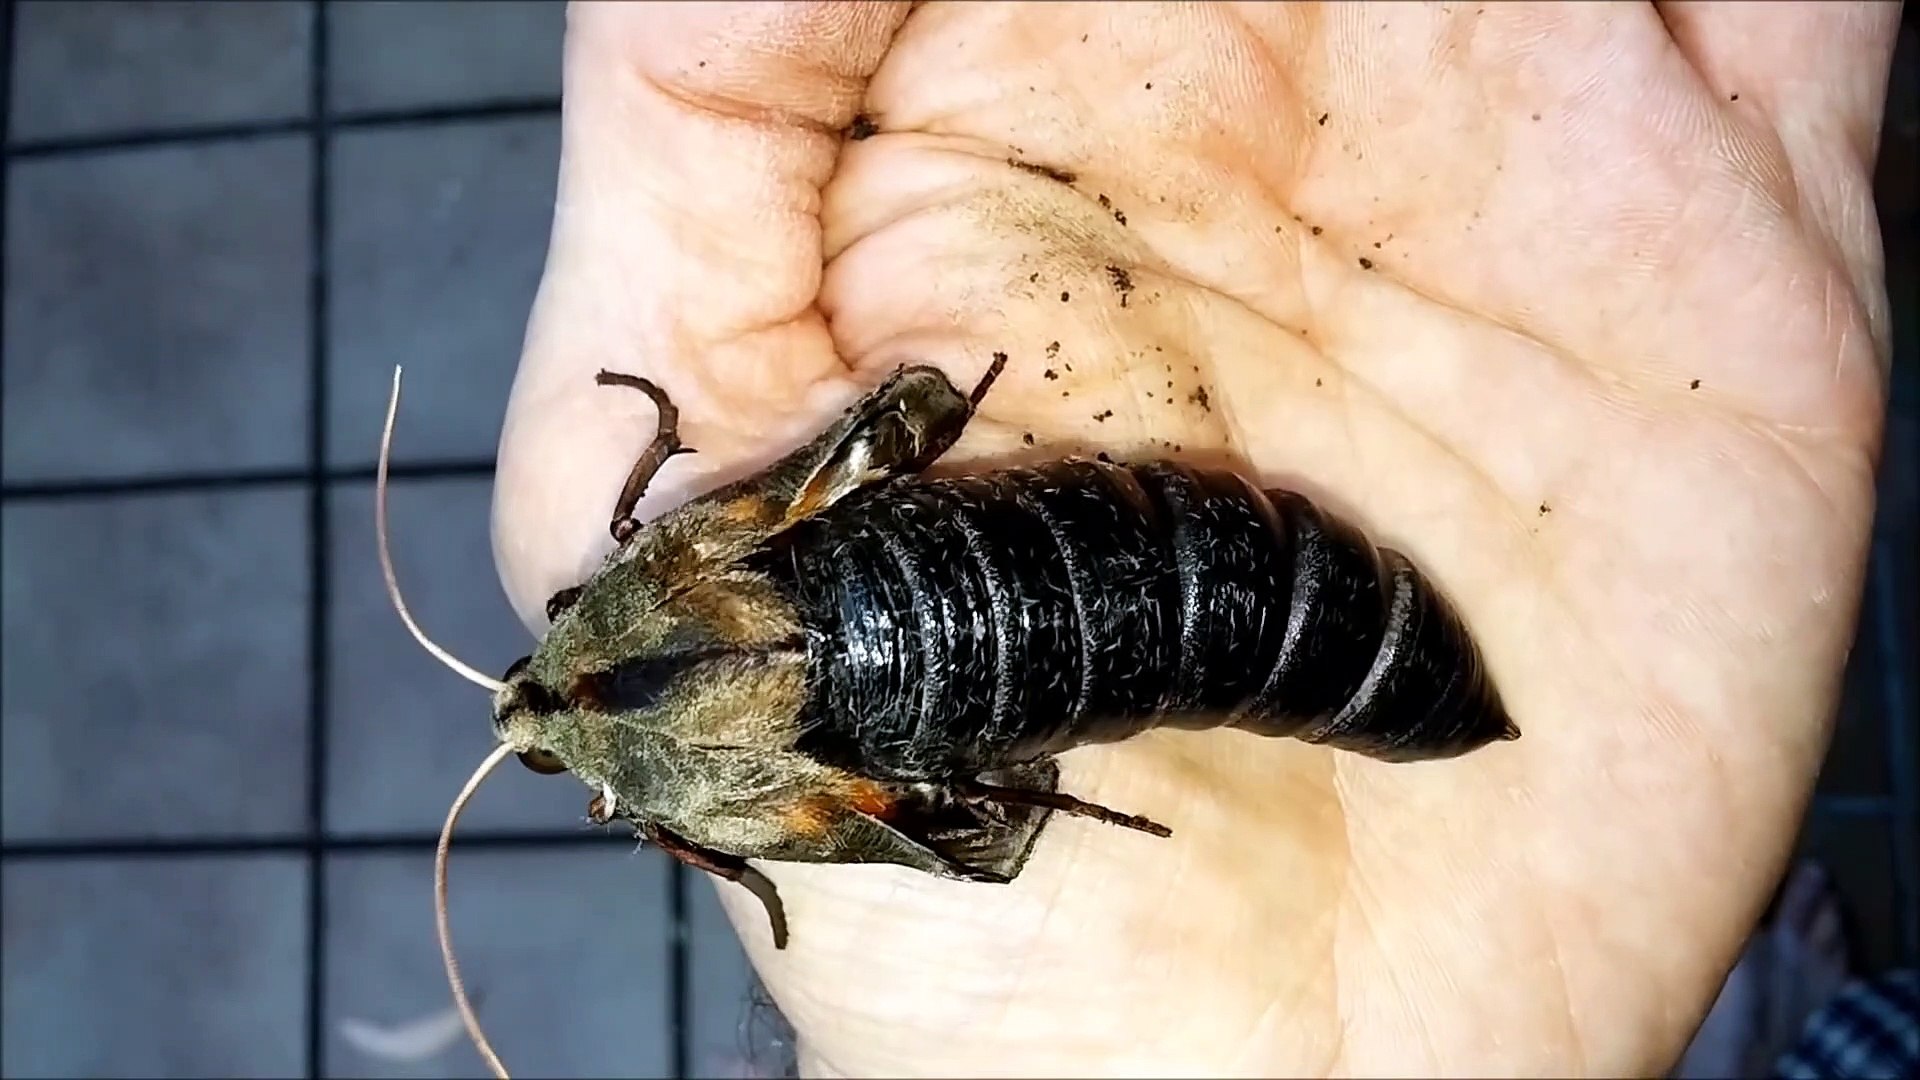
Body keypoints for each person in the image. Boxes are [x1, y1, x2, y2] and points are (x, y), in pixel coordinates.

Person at [487, 3, 1907, 1075]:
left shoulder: (717, 802)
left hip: (1144, 638)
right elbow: (904, 421)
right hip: (1127, 578)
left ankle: (1775, 1010)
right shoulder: (669, 569)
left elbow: (962, 845)